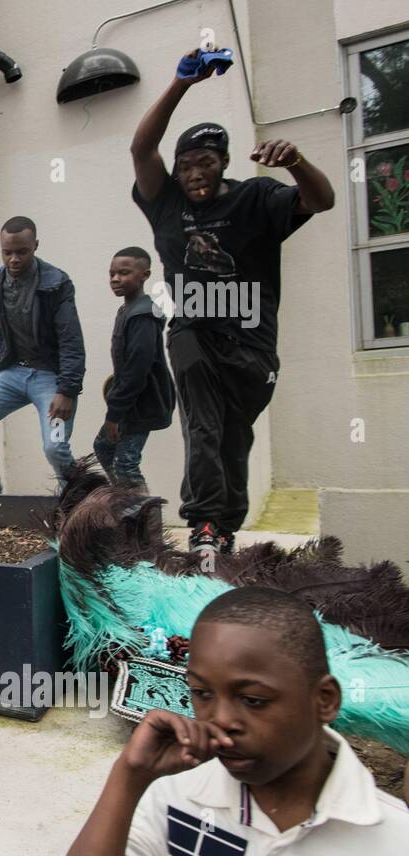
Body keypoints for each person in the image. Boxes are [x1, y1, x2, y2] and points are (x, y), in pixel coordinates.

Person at [130, 48, 334, 555]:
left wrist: (298, 162)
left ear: (223, 164)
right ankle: (201, 523)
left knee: (233, 437)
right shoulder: (166, 205)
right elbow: (141, 148)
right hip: (193, 330)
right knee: (202, 422)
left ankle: (224, 530)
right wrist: (180, 83)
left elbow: (323, 200)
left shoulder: (257, 198)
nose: (196, 173)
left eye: (206, 163)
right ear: (176, 174)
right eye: (187, 166)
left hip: (252, 344)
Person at [64, 587, 409, 856]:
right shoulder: (175, 794)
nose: (221, 720)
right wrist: (127, 778)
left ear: (325, 700)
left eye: (253, 700)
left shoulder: (394, 839)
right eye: (201, 693)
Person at [0, 217, 84, 495]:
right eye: (7, 252)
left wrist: (67, 389)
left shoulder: (57, 283)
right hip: (13, 372)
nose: (14, 259)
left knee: (55, 446)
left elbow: (71, 340)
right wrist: (2, 368)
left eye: (22, 251)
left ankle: (76, 500)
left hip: (51, 378)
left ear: (35, 246)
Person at [93, 247, 174, 490]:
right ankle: (125, 502)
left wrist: (115, 413)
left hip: (141, 404)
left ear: (144, 275)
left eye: (124, 273)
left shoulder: (142, 316)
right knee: (104, 447)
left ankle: (144, 520)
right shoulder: (127, 310)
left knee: (126, 464)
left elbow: (137, 371)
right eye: (112, 274)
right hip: (128, 402)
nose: (115, 279)